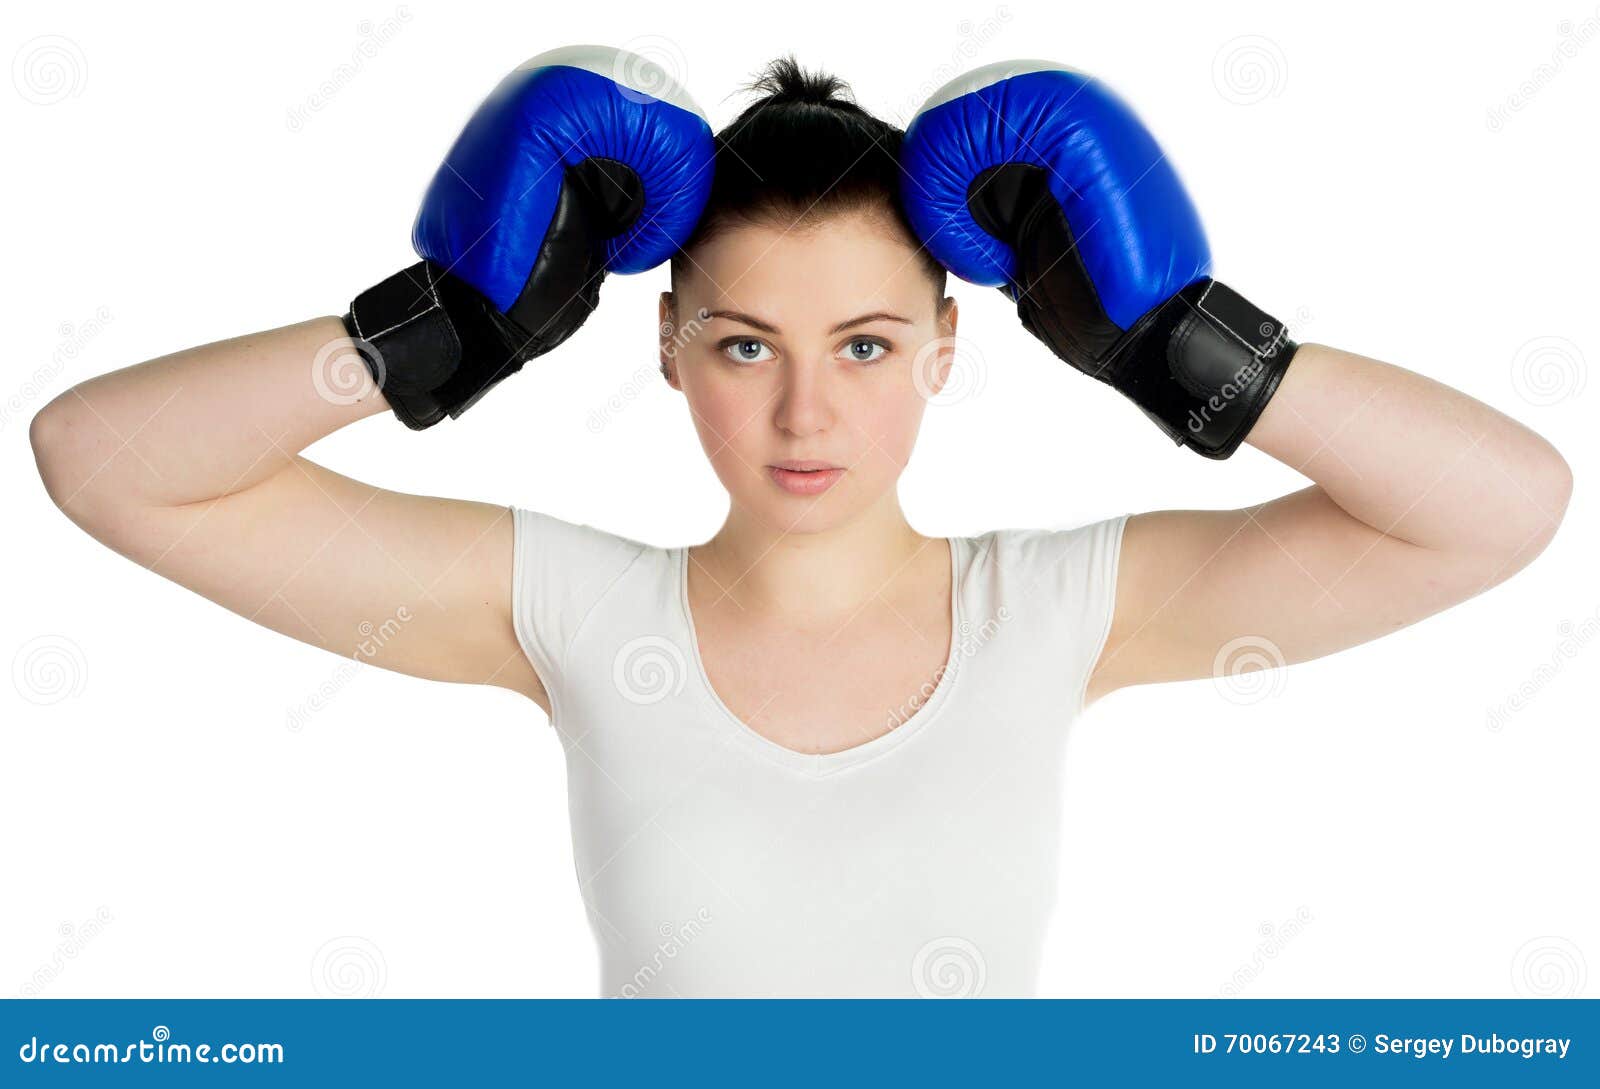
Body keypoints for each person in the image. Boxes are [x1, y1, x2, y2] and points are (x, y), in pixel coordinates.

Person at [28, 54, 1572, 998]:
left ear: (951, 349)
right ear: (666, 347)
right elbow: (102, 462)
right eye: (746, 343)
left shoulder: (1058, 610)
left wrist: (1186, 341)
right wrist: (433, 333)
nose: (805, 414)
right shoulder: (569, 610)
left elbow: (1500, 509)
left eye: (867, 345)